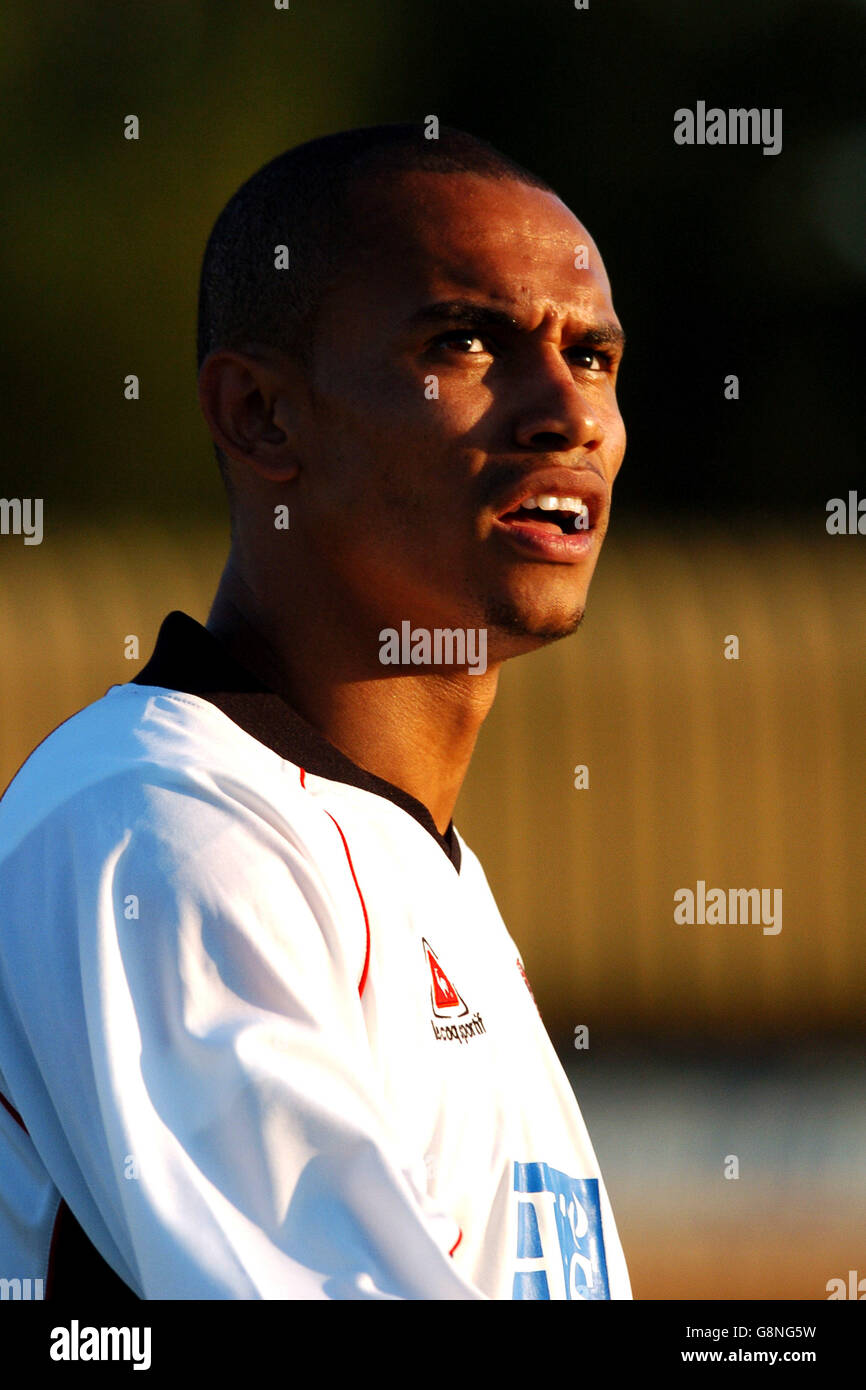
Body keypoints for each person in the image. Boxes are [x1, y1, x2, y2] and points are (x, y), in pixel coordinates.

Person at [0, 124, 630, 1299]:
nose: (567, 412)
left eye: (592, 357)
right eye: (466, 341)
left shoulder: (404, 858)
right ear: (259, 415)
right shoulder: (161, 829)